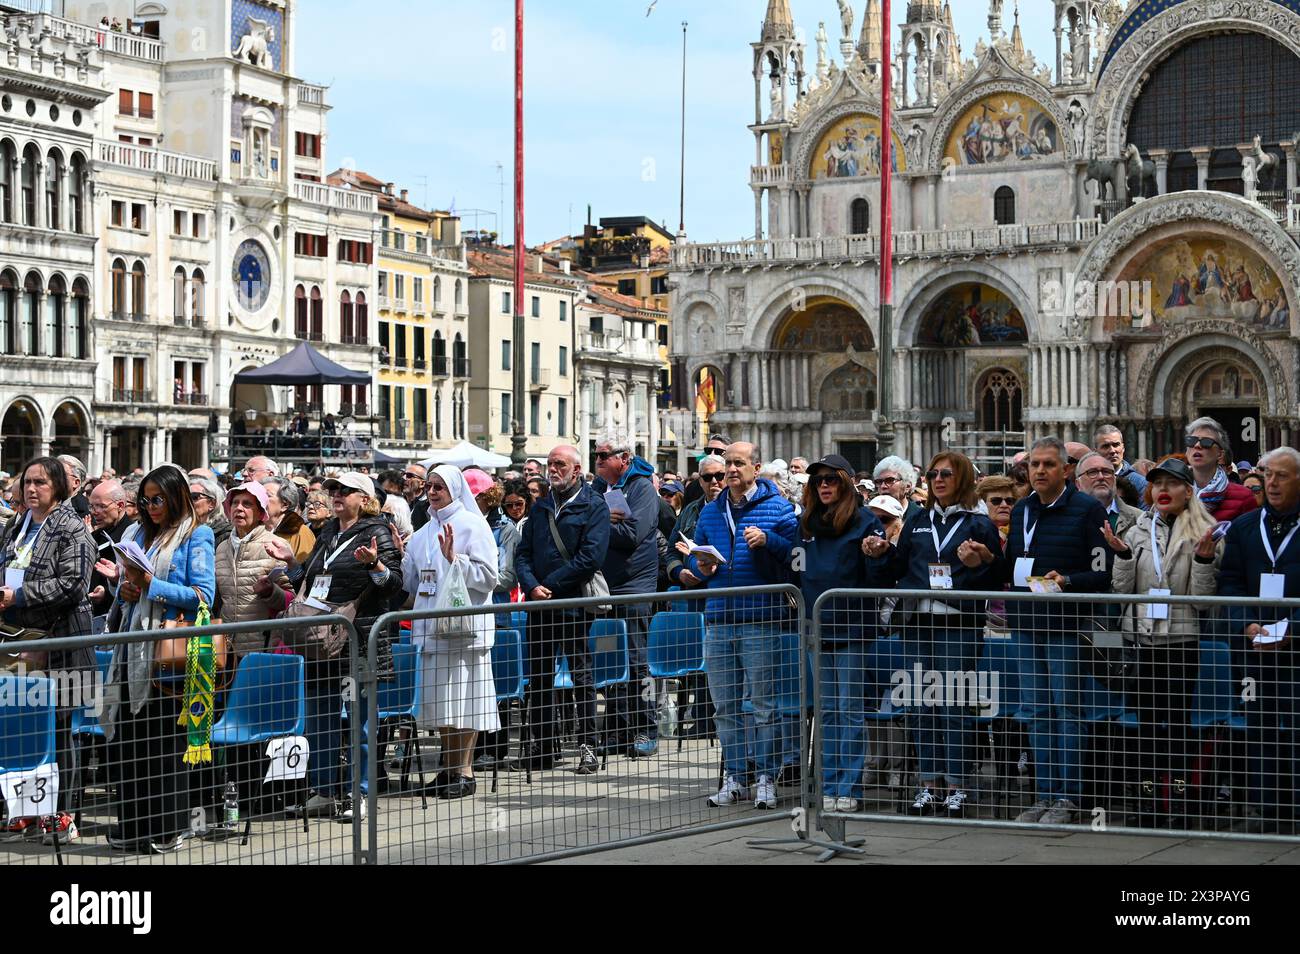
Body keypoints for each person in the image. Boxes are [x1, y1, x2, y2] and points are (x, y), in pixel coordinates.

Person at [866, 451, 1004, 818]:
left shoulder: (979, 523)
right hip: (917, 624)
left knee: (953, 706)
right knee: (920, 706)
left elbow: (994, 578)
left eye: (946, 473)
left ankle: (957, 784)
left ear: (962, 479)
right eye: (932, 473)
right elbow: (900, 567)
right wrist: (880, 552)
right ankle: (929, 783)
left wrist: (982, 561)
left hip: (958, 625)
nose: (938, 479)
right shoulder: (918, 521)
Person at [269, 471, 402, 821]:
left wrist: (374, 564)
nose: (336, 495)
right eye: (333, 490)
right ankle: (325, 790)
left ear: (364, 497)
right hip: (319, 640)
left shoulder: (378, 531)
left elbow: (393, 586)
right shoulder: (327, 531)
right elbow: (310, 583)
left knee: (358, 721)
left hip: (356, 639)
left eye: (344, 490)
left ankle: (359, 793)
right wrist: (291, 562)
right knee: (321, 720)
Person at [103, 465, 216, 853]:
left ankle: (168, 826)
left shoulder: (196, 534)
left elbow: (203, 595)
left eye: (159, 499)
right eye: (146, 499)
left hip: (168, 653)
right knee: (130, 740)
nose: (151, 506)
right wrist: (128, 591)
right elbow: (126, 588)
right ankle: (133, 823)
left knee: (162, 742)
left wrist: (153, 585)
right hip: (131, 646)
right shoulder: (137, 533)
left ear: (175, 497)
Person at [1104, 457, 1221, 827]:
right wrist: (1122, 555)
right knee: (1145, 724)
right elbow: (1121, 589)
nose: (1163, 491)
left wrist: (1203, 561)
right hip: (1141, 639)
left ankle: (1182, 799)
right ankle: (1148, 799)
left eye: (1172, 484)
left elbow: (1203, 600)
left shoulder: (1206, 531)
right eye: (1157, 484)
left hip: (1181, 639)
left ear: (1189, 491)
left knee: (1177, 723)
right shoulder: (1137, 530)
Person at [1004, 437, 1112, 826]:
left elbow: (1102, 573)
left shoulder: (1086, 509)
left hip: (1065, 625)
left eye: (1048, 464)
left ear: (1066, 470)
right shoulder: (1022, 510)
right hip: (1026, 623)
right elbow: (1012, 565)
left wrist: (1067, 579)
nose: (1039, 471)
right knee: (1037, 713)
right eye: (1034, 464)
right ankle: (1043, 794)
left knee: (1067, 711)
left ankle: (1068, 797)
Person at [689, 442, 799, 811]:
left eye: (738, 464)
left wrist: (770, 540)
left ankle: (767, 777)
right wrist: (702, 564)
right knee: (725, 707)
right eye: (727, 465)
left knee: (764, 705)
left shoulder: (778, 507)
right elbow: (700, 552)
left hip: (760, 618)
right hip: (719, 618)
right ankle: (734, 777)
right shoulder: (711, 511)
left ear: (756, 466)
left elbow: (794, 555)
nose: (731, 471)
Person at [0, 457, 96, 845]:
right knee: (21, 725)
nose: (31, 489)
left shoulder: (73, 528)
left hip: (60, 640)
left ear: (59, 486)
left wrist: (19, 594)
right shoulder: (16, 526)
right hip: (16, 637)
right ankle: (25, 809)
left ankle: (62, 813)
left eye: (40, 482)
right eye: (27, 482)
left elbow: (74, 585)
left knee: (60, 728)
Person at [791, 455, 883, 812]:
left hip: (853, 630)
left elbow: (878, 578)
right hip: (816, 627)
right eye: (818, 481)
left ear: (845, 484)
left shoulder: (865, 521)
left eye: (831, 479)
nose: (824, 485)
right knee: (826, 712)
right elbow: (796, 567)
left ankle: (849, 787)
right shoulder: (807, 524)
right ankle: (827, 784)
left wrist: (878, 555)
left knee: (850, 710)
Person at [404, 466, 500, 799]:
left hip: (465, 631)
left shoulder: (474, 525)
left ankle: (465, 771)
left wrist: (455, 558)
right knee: (441, 703)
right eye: (428, 486)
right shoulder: (422, 532)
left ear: (455, 489)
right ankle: (447, 768)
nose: (432, 492)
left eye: (439, 486)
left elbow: (490, 577)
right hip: (432, 628)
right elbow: (412, 583)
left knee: (466, 702)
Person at [1218, 447, 1300, 833]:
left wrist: (1291, 630)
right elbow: (1230, 582)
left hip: (1295, 647)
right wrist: (1246, 624)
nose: (1271, 482)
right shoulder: (1246, 526)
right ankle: (1265, 807)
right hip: (1254, 650)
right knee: (1260, 725)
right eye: (1267, 475)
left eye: (1281, 475)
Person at [515, 446, 609, 773]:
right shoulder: (540, 508)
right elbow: (523, 554)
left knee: (581, 677)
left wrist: (550, 586)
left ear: (577, 468)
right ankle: (542, 747)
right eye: (549, 463)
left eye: (559, 464)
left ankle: (587, 746)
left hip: (572, 606)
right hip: (539, 607)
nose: (553, 469)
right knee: (538, 679)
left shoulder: (593, 506)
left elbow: (591, 558)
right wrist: (531, 586)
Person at [592, 438, 661, 759]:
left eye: (604, 455)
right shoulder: (596, 488)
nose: (599, 460)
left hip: (635, 588)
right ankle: (617, 730)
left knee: (637, 662)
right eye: (596, 455)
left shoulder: (641, 488)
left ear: (624, 459)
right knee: (609, 661)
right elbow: (585, 530)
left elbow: (634, 534)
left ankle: (646, 727)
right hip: (603, 591)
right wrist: (606, 520)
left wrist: (600, 523)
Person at [213, 481, 287, 655]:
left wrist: (270, 592)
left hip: (261, 646)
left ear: (261, 512)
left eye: (247, 504)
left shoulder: (276, 545)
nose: (239, 508)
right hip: (225, 647)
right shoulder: (222, 547)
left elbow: (290, 601)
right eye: (234, 503)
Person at [666, 456, 726, 588]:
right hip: (695, 594)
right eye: (708, 477)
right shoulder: (690, 510)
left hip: (724, 590)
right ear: (700, 481)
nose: (714, 481)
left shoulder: (736, 509)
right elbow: (671, 550)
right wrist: (679, 572)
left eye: (720, 476)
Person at [1185, 416, 1257, 521]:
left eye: (1206, 442)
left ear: (1220, 454)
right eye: (1191, 440)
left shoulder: (1244, 498)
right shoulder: (1175, 492)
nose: (1197, 445)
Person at [87, 479, 132, 614]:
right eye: (92, 506)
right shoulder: (96, 536)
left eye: (101, 506)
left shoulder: (132, 536)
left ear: (119, 505)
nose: (95, 512)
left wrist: (106, 593)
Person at [1077, 451, 1143, 536]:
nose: (1101, 477)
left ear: (1115, 480)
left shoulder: (1140, 519)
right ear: (1078, 484)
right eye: (1092, 472)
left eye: (1106, 472)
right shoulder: (1065, 518)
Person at [262, 476, 316, 564]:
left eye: (268, 495)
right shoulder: (251, 529)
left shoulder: (300, 532)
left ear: (285, 505)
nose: (260, 499)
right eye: (259, 495)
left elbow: (301, 571)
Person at [1094, 425, 1148, 500]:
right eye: (1106, 446)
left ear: (1123, 448)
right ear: (1096, 452)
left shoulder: (1140, 483)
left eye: (1116, 445)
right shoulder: (1090, 481)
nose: (1112, 451)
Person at [873, 456, 923, 523]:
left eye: (890, 480)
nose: (883, 486)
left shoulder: (922, 516)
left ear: (907, 486)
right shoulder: (870, 517)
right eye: (879, 482)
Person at [189, 476, 230, 549]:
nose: (188, 502)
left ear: (212, 504)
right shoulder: (181, 529)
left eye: (194, 497)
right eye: (186, 497)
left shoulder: (226, 534)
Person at [57, 455, 90, 519]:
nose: (54, 477)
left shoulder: (85, 510)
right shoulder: (45, 504)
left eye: (60, 474)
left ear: (76, 482)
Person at [404, 463, 430, 531]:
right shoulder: (399, 502)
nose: (404, 478)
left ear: (422, 483)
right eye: (403, 474)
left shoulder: (426, 507)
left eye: (409, 476)